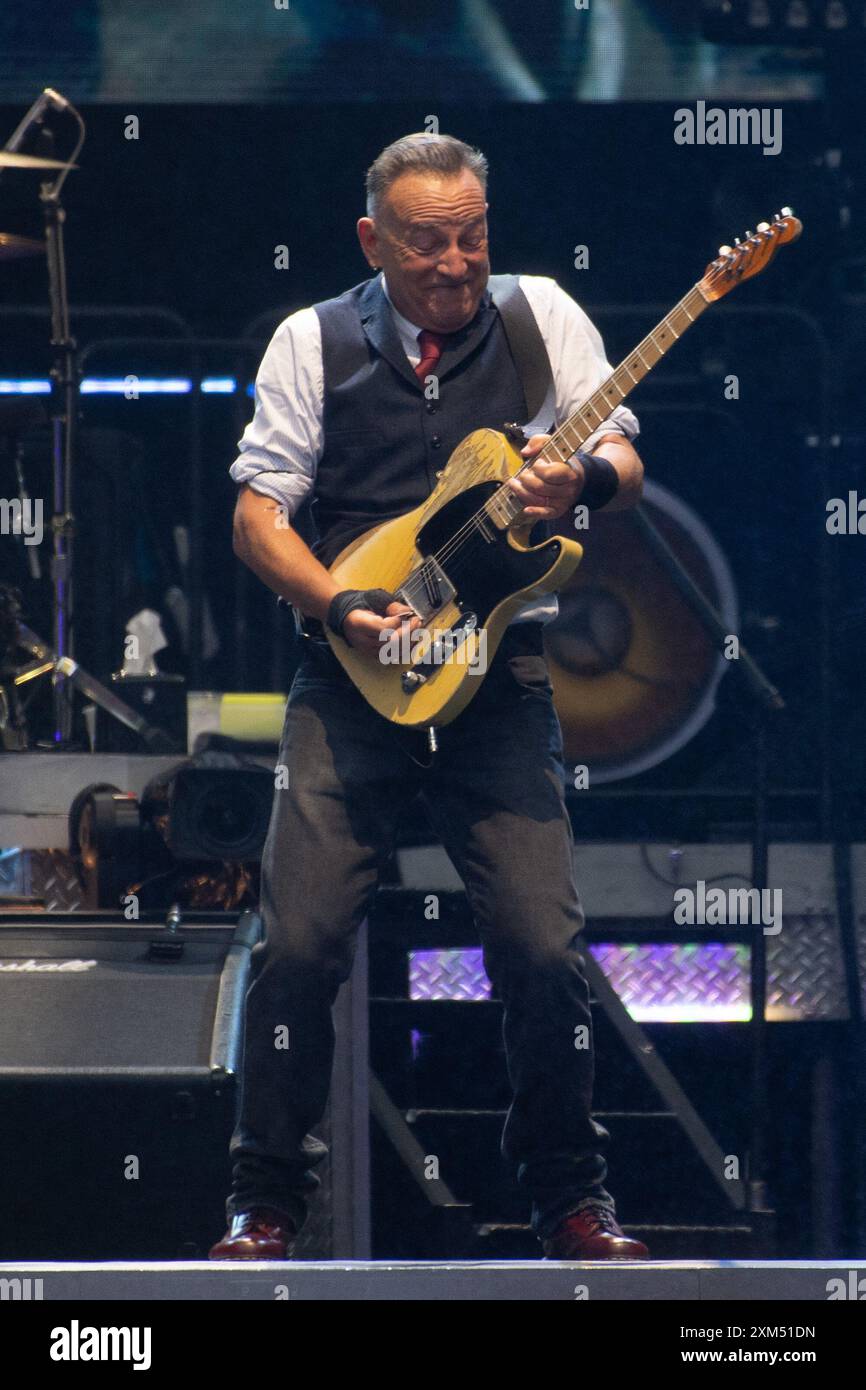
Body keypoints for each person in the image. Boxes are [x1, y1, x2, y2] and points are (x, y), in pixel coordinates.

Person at [209, 132, 648, 1262]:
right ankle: (264, 1203)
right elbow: (258, 516)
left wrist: (580, 479)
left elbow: (625, 463)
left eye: (471, 236)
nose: (454, 263)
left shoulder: (539, 316)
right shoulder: (311, 339)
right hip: (350, 675)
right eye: (424, 245)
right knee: (298, 942)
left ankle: (569, 1200)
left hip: (496, 680)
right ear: (371, 240)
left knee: (541, 946)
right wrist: (334, 605)